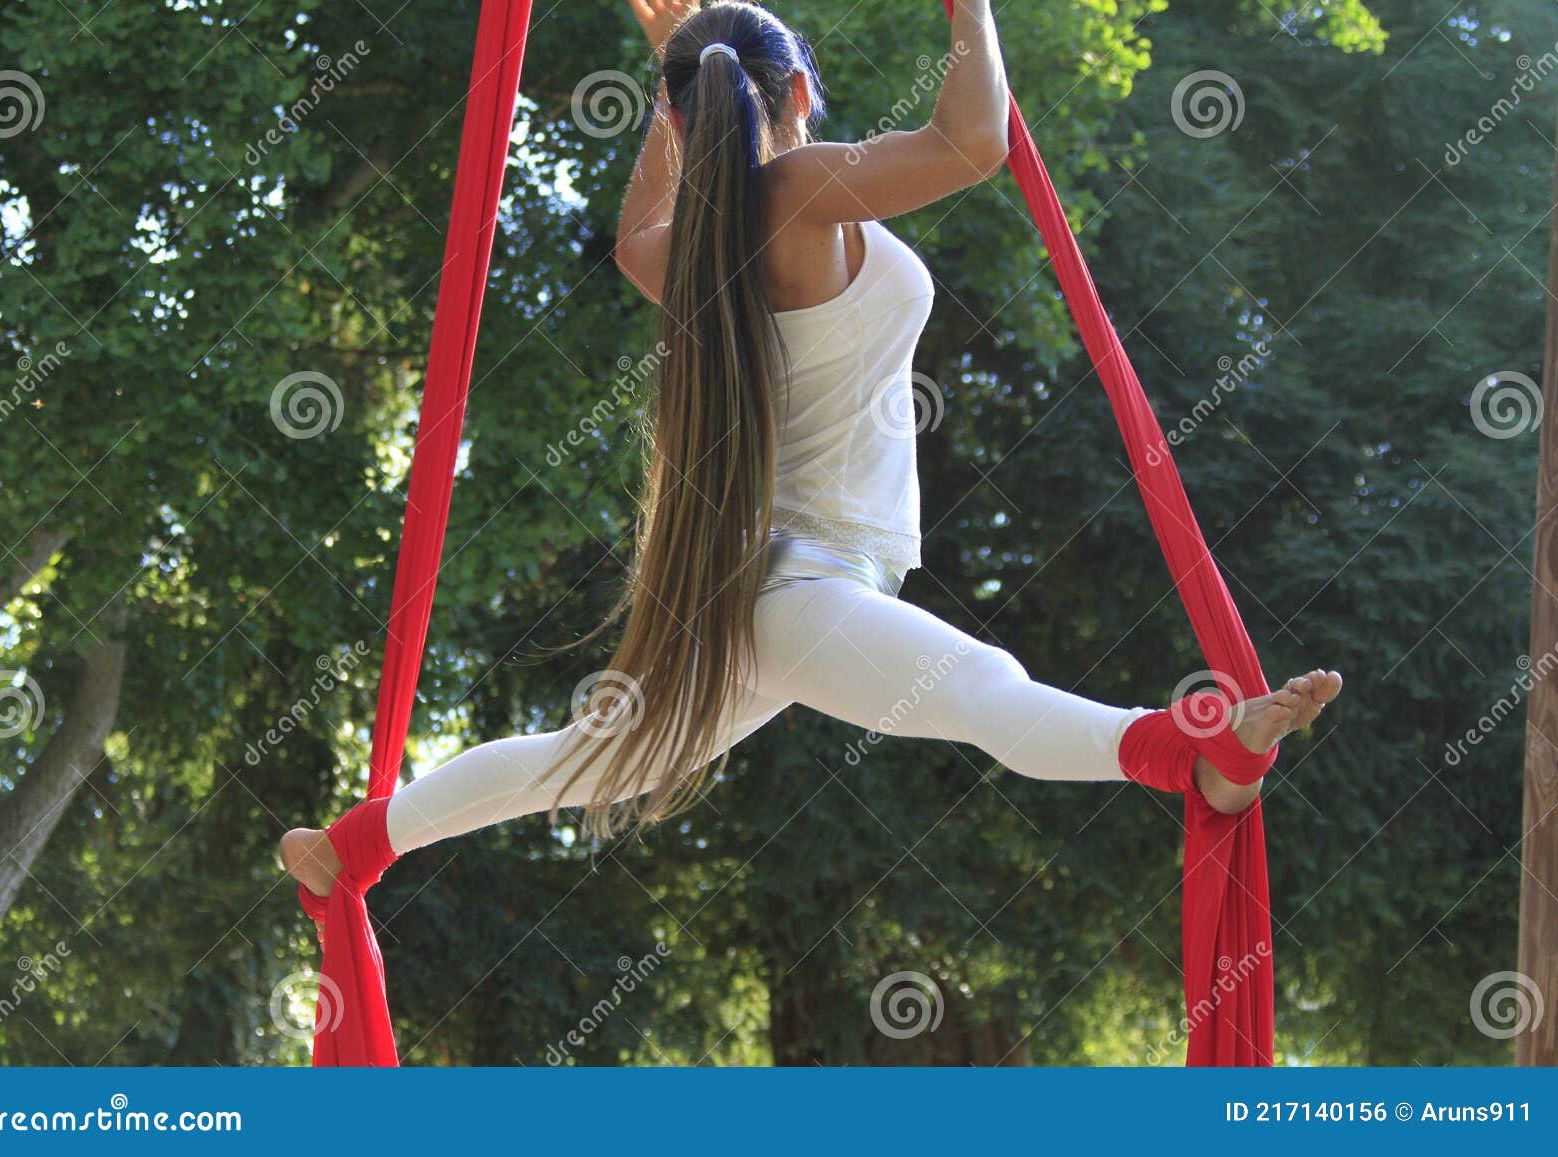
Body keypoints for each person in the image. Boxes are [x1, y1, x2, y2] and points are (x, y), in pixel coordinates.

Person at [282, 0, 1341, 917]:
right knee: (978, 688)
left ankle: (355, 845)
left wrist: (673, 106)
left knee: (597, 758)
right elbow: (973, 143)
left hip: (776, 583)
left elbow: (634, 235)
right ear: (800, 90)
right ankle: (1188, 752)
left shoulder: (703, 246)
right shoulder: (794, 192)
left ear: (681, 117)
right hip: (801, 586)